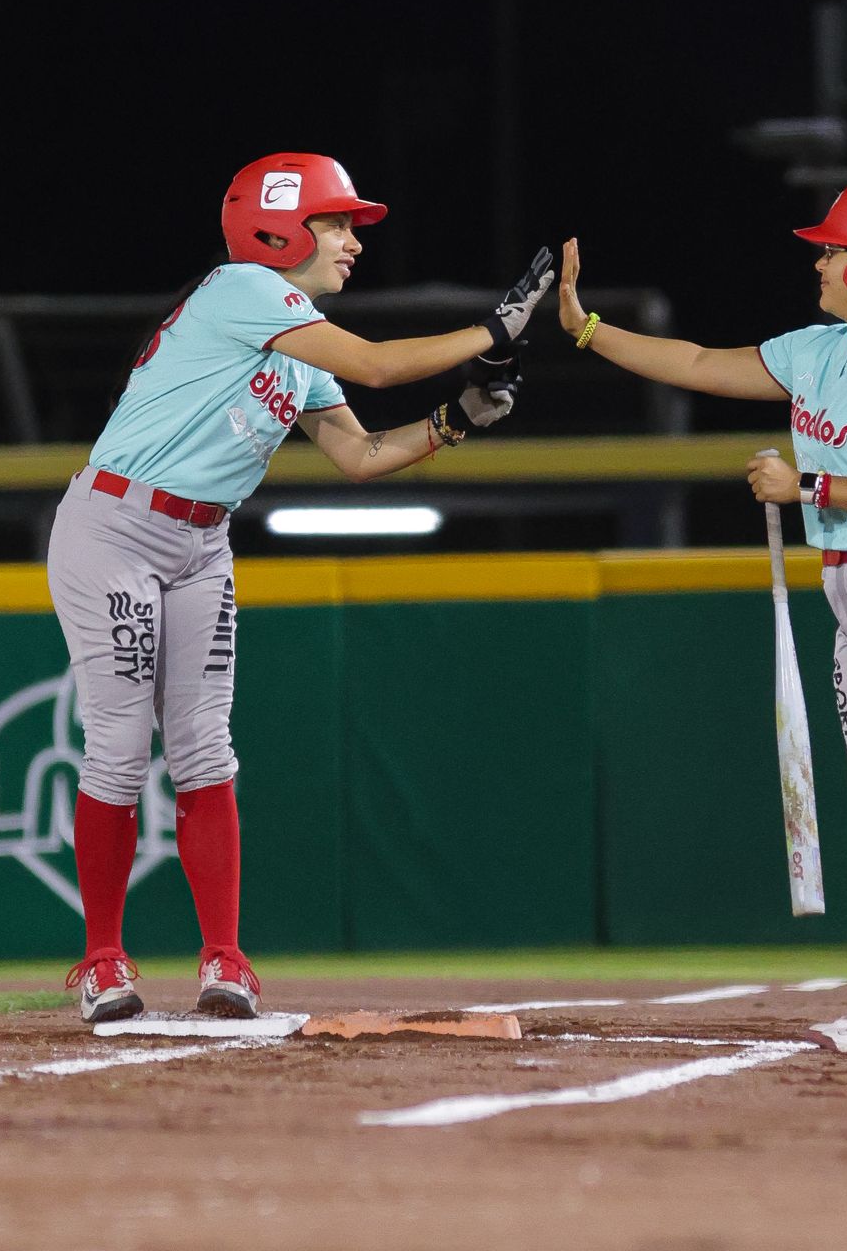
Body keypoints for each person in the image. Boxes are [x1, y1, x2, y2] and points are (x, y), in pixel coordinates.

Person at [49, 151, 552, 1024]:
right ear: (277, 227)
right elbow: (380, 365)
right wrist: (492, 330)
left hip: (201, 543)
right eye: (336, 223)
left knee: (205, 749)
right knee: (122, 747)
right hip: (116, 530)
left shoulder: (292, 339)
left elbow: (361, 455)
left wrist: (459, 421)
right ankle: (100, 959)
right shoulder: (246, 288)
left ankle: (225, 959)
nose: (353, 242)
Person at [557, 181, 847, 1056]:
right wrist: (589, 330)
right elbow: (697, 362)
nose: (820, 260)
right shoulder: (825, 348)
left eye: (835, 249)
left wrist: (809, 486)